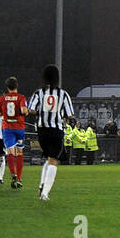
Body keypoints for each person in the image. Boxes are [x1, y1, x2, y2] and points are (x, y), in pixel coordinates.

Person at [25, 65, 74, 201]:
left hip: (42, 130)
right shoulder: (63, 94)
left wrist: (42, 111)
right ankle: (45, 192)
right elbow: (69, 114)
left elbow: (31, 110)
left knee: (49, 158)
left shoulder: (38, 93)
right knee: (53, 160)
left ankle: (42, 185)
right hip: (56, 129)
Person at [0, 78, 30, 189]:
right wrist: (26, 111)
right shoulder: (21, 97)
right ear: (17, 86)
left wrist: (5, 114)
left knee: (10, 152)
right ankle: (19, 179)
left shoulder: (2, 98)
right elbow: (24, 111)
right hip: (19, 127)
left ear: (7, 87)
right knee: (19, 152)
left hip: (8, 128)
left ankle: (13, 175)